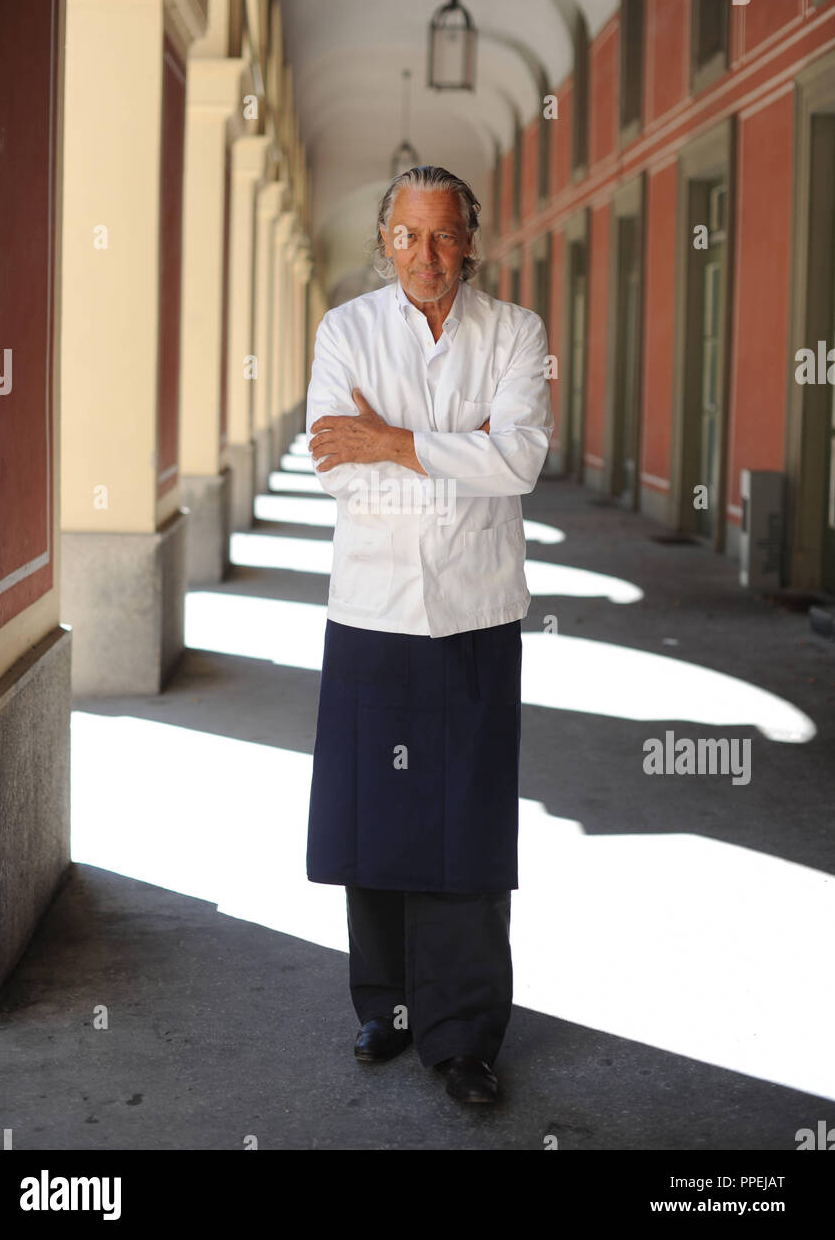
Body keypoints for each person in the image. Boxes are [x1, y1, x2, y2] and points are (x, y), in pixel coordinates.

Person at [305, 165, 553, 1105]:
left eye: (444, 235)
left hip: (476, 611)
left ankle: (463, 1036)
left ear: (471, 242)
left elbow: (520, 459)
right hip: (371, 609)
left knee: (466, 823)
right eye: (407, 237)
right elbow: (338, 471)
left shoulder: (515, 332)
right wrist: (459, 452)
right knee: (371, 815)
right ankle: (386, 1007)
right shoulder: (348, 331)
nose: (425, 255)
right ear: (383, 243)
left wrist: (394, 439)